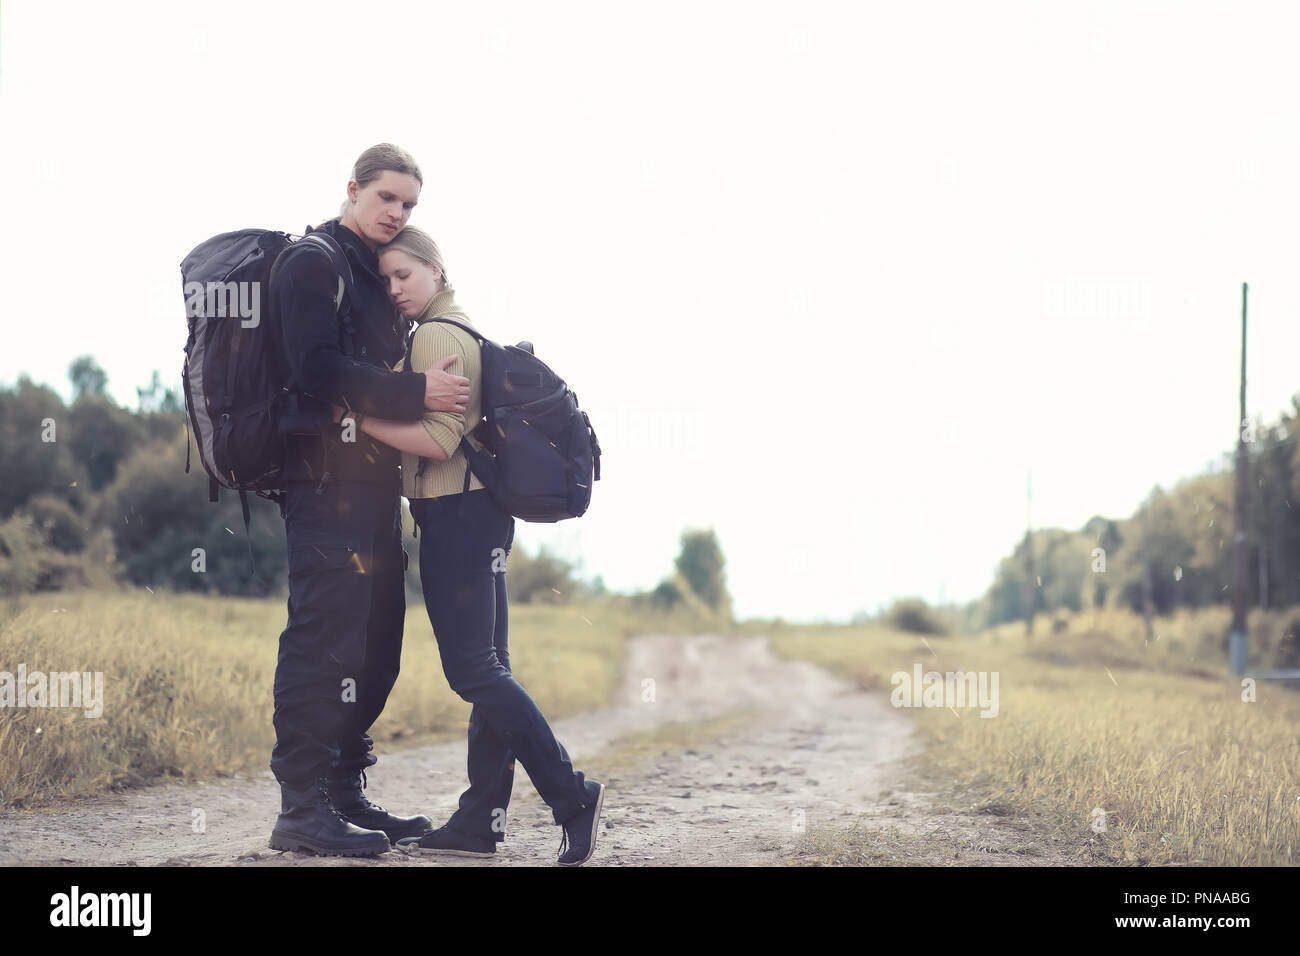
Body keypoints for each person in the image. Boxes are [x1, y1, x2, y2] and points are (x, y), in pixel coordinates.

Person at [332, 224, 605, 865]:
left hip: (455, 514)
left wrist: (355, 419)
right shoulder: (461, 329)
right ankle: (481, 818)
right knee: (491, 666)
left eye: (405, 275)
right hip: (481, 516)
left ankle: (572, 796)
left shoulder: (436, 335)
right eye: (387, 280)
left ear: (436, 269)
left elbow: (439, 440)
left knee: (473, 671)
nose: (395, 289)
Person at [267, 144, 472, 857]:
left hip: (376, 488)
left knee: (377, 647)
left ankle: (344, 792)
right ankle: (301, 807)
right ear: (352, 189)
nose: (397, 214)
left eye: (410, 205)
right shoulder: (313, 262)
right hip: (321, 487)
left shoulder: (373, 274)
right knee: (324, 640)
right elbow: (314, 368)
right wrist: (417, 393)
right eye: (387, 198)